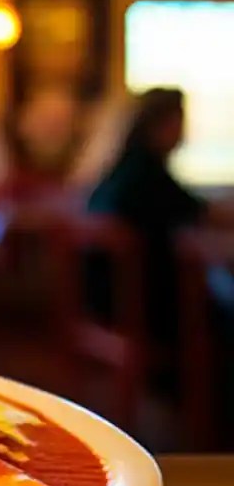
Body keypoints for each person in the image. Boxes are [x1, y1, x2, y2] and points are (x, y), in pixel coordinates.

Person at [86, 88, 207, 343]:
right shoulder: (147, 175)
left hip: (105, 304)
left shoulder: (121, 170)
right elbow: (201, 213)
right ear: (160, 124)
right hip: (146, 307)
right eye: (178, 121)